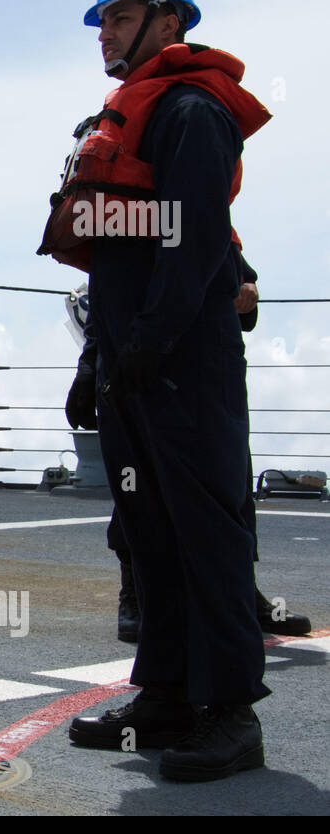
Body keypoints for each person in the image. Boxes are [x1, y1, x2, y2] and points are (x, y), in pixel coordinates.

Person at [39, 0, 273, 781]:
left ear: (169, 20)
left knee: (207, 532)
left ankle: (231, 714)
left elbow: (196, 241)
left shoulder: (191, 113)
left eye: (119, 15)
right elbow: (115, 259)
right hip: (131, 359)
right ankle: (169, 695)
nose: (103, 31)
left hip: (184, 362)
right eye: (102, 19)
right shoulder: (125, 116)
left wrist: (150, 343)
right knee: (152, 536)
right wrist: (101, 356)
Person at [66, 250, 314, 642]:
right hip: (141, 371)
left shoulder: (209, 221)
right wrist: (88, 371)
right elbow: (106, 302)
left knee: (231, 489)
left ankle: (240, 591)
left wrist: (247, 291)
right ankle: (134, 594)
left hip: (205, 371)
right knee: (136, 486)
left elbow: (243, 287)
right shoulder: (128, 221)